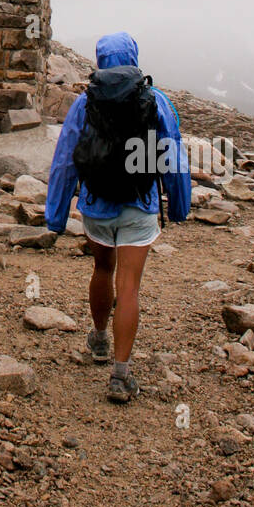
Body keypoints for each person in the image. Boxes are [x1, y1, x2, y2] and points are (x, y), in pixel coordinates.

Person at [44, 31, 191, 402]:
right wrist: (179, 203)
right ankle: (121, 374)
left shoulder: (84, 103)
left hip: (96, 204)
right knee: (129, 288)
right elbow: (172, 156)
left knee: (102, 270)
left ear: (99, 60)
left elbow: (65, 160)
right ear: (135, 57)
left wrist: (56, 217)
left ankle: (98, 340)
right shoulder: (156, 101)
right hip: (140, 205)